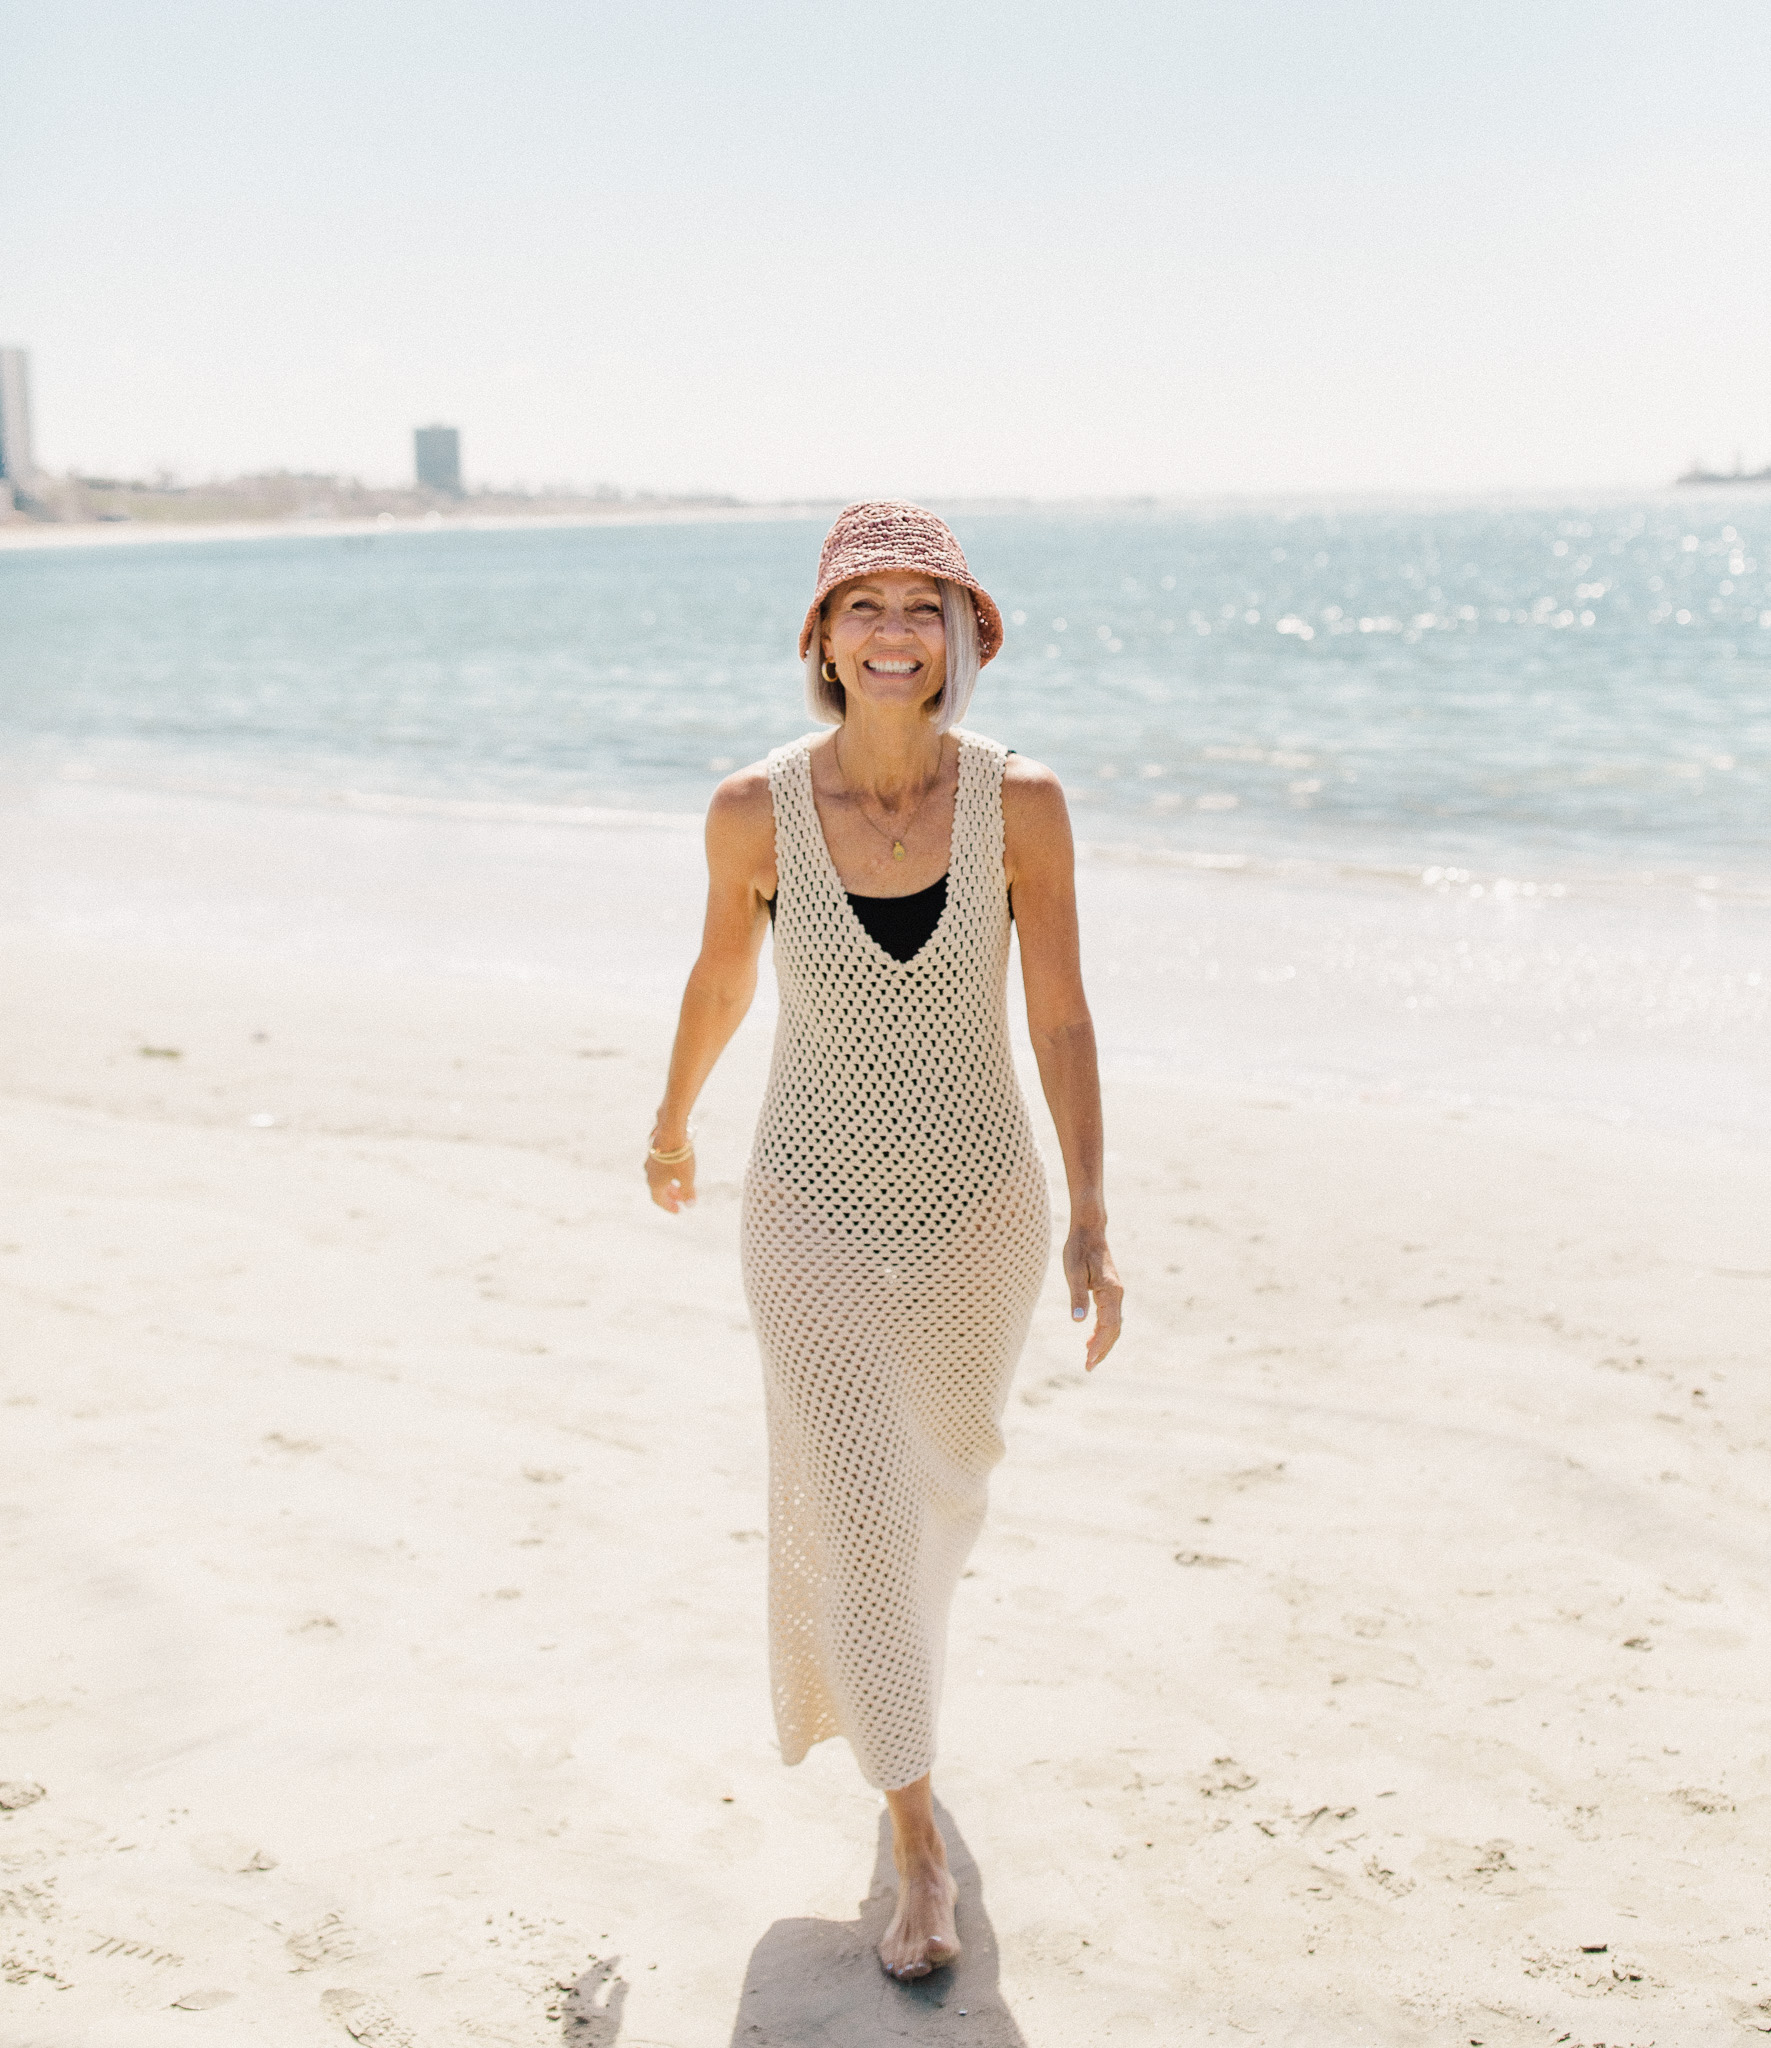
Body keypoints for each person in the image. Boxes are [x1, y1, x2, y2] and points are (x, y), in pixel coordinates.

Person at [645, 501, 1122, 1980]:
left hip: (983, 1194)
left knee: (947, 1476)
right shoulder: (755, 810)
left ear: (966, 636)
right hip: (809, 1198)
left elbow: (1057, 1011)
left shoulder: (1019, 802)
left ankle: (894, 1684)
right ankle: (914, 1834)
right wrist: (670, 1123)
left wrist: (1093, 1212)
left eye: (926, 607)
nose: (896, 633)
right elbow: (722, 979)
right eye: (868, 607)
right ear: (822, 639)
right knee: (858, 1499)